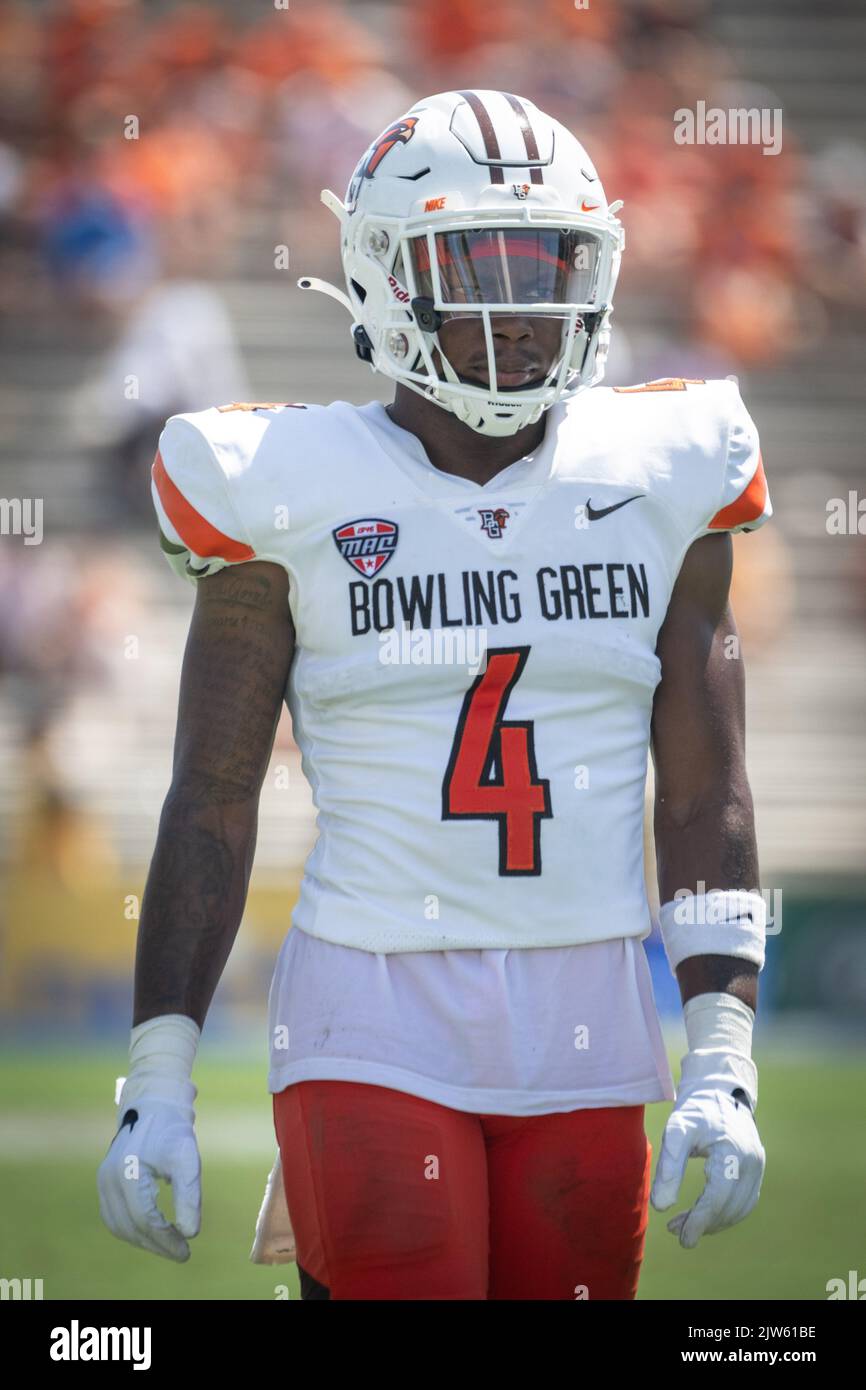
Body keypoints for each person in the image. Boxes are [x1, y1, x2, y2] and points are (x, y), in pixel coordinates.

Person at [98, 89, 771, 1301]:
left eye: (550, 266)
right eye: (479, 265)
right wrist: (156, 1068)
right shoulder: (284, 484)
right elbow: (211, 794)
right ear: (383, 277)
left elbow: (705, 789)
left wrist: (720, 1052)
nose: (522, 310)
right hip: (371, 1002)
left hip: (591, 1010)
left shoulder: (664, 469)